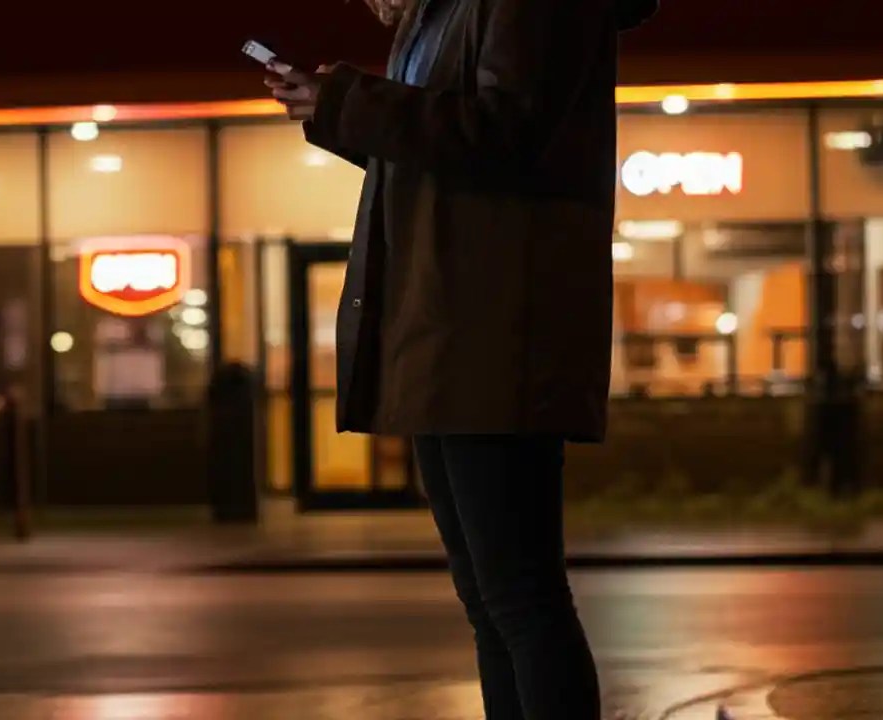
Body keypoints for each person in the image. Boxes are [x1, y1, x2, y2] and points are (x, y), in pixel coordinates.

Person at [264, 0, 658, 717]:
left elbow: (506, 133)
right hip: (451, 328)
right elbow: (439, 152)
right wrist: (333, 109)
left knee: (520, 599)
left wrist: (353, 100)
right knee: (491, 602)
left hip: (496, 326)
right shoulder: (435, 13)